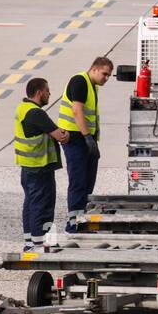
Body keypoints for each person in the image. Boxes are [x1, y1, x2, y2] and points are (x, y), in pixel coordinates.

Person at [57, 56, 113, 232]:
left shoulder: (92, 86)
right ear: (94, 69)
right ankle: (73, 223)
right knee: (78, 181)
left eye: (109, 76)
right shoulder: (80, 81)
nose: (106, 78)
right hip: (75, 139)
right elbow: (76, 110)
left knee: (88, 181)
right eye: (104, 74)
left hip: (86, 139)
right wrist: (87, 136)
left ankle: (83, 218)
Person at [14, 78, 69, 248]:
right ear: (39, 92)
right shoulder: (36, 113)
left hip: (28, 167)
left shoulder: (22, 108)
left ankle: (30, 241)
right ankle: (42, 243)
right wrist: (68, 135)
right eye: (47, 91)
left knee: (31, 203)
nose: (49, 94)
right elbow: (60, 135)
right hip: (40, 167)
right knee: (43, 205)